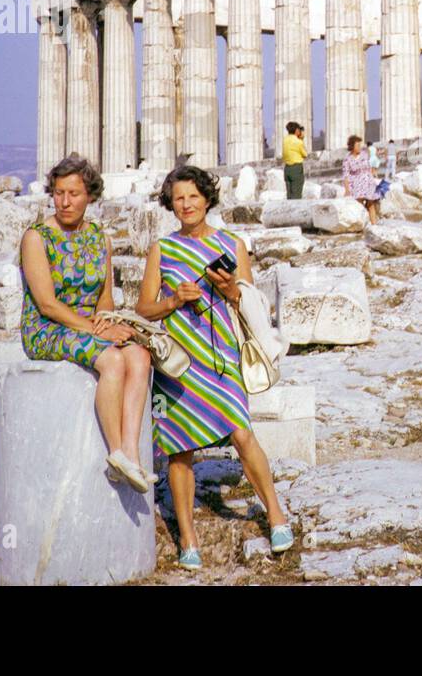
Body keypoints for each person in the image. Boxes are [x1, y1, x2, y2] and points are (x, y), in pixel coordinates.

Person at [135, 164, 292, 569]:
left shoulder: (233, 244)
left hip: (221, 356)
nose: (186, 205)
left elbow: (252, 304)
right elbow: (143, 308)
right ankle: (188, 539)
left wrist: (229, 290)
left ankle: (275, 513)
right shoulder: (162, 250)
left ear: (207, 199)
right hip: (177, 362)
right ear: (170, 203)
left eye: (193, 197)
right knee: (178, 449)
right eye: (178, 198)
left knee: (242, 434)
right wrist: (173, 300)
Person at [19, 157, 154, 493]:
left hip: (88, 323)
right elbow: (47, 304)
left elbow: (105, 297)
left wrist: (105, 322)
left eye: (74, 193)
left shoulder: (99, 237)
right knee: (112, 359)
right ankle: (116, 452)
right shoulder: (36, 238)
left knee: (139, 355)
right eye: (59, 193)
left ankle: (132, 453)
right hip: (47, 328)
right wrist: (95, 331)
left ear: (89, 196)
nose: (65, 202)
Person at [342, 135, 382, 224]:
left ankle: (374, 225)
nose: (360, 147)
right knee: (359, 206)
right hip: (357, 185)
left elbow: (370, 167)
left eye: (360, 145)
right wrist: (347, 189)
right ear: (352, 146)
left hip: (368, 183)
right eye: (358, 145)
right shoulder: (347, 159)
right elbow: (345, 175)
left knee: (370, 204)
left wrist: (373, 178)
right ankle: (361, 225)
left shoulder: (364, 155)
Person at [281, 122, 307, 199]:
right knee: (296, 195)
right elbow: (305, 154)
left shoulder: (285, 140)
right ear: (296, 130)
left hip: (287, 169)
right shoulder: (298, 142)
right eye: (299, 129)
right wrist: (301, 139)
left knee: (289, 195)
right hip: (296, 169)